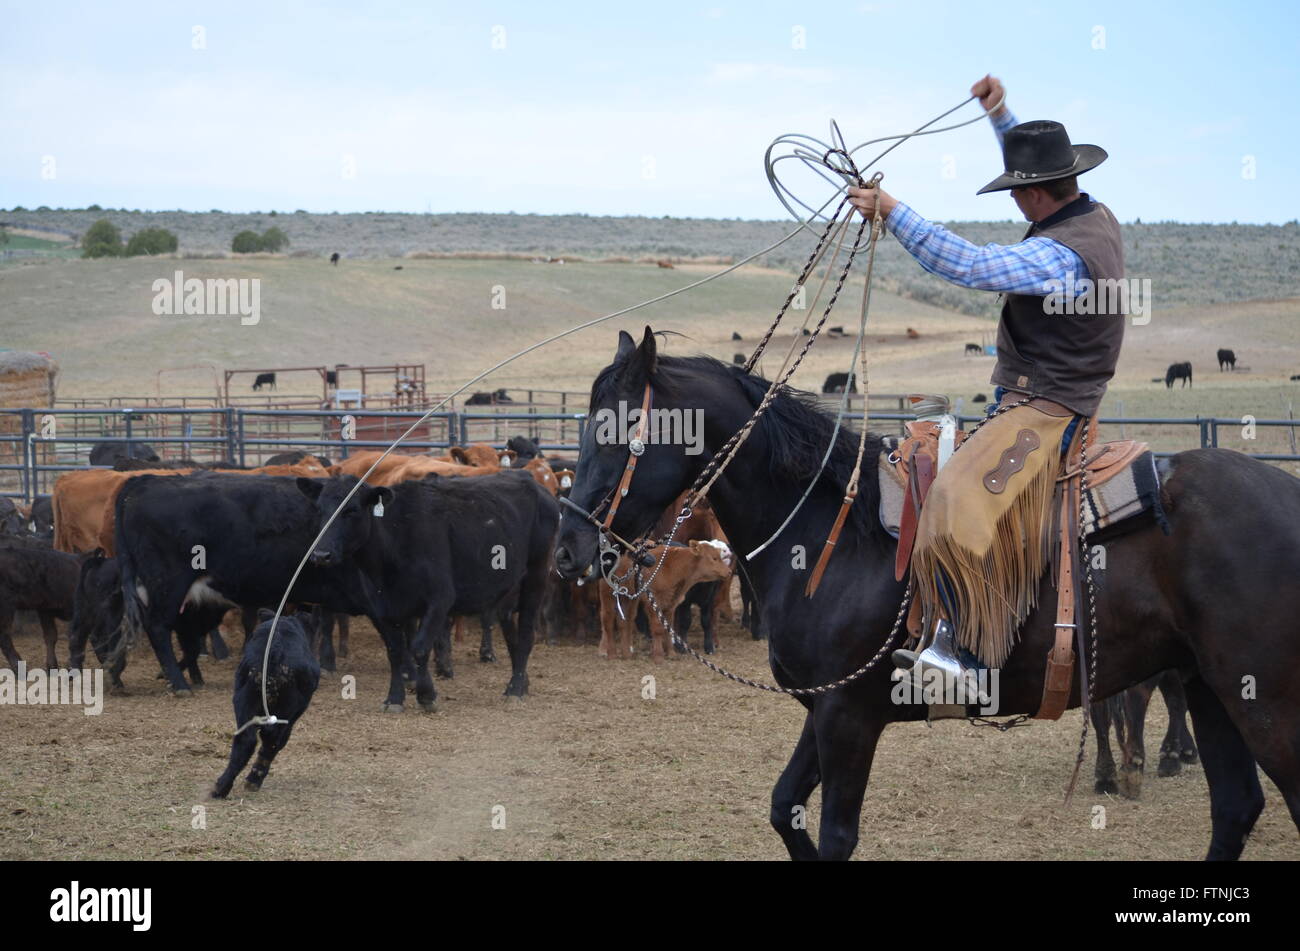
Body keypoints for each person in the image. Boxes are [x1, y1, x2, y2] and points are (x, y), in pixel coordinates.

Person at [847, 74, 1126, 689]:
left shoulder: (1061, 255)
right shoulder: (1092, 216)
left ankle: (967, 653)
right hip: (1046, 398)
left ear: (1031, 197)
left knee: (954, 495)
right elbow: (1034, 170)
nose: (1014, 202)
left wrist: (892, 212)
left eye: (1016, 191)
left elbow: (971, 266)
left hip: (1049, 408)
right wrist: (1001, 115)